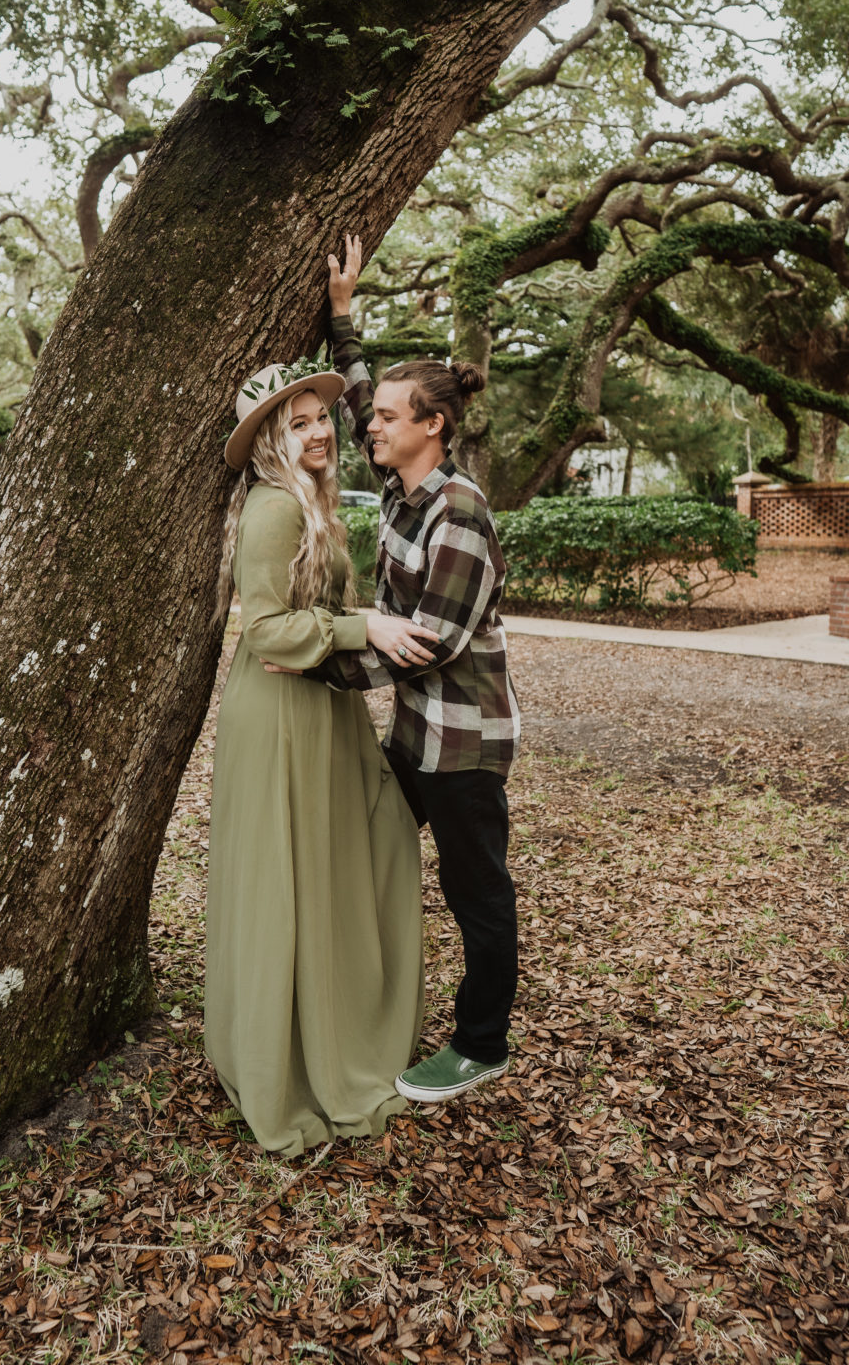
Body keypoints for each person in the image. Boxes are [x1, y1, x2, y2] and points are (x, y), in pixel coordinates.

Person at [271, 236, 521, 1105]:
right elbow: (353, 397)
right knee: (367, 844)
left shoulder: (458, 514)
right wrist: (341, 312)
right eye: (372, 415)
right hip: (417, 730)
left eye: (386, 417)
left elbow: (426, 645)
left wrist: (309, 660)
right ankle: (359, 999)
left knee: (475, 889)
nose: (367, 425)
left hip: (463, 742)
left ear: (431, 426)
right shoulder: (397, 485)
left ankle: (481, 1044)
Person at [203, 358, 439, 1154]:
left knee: (364, 846)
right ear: (271, 438)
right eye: (297, 423)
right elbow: (266, 631)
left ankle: (335, 1027)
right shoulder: (273, 507)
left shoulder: (311, 502)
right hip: (280, 716)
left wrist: (354, 626)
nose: (318, 433)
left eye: (319, 419)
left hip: (320, 704)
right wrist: (361, 626)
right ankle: (290, 1064)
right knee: (290, 876)